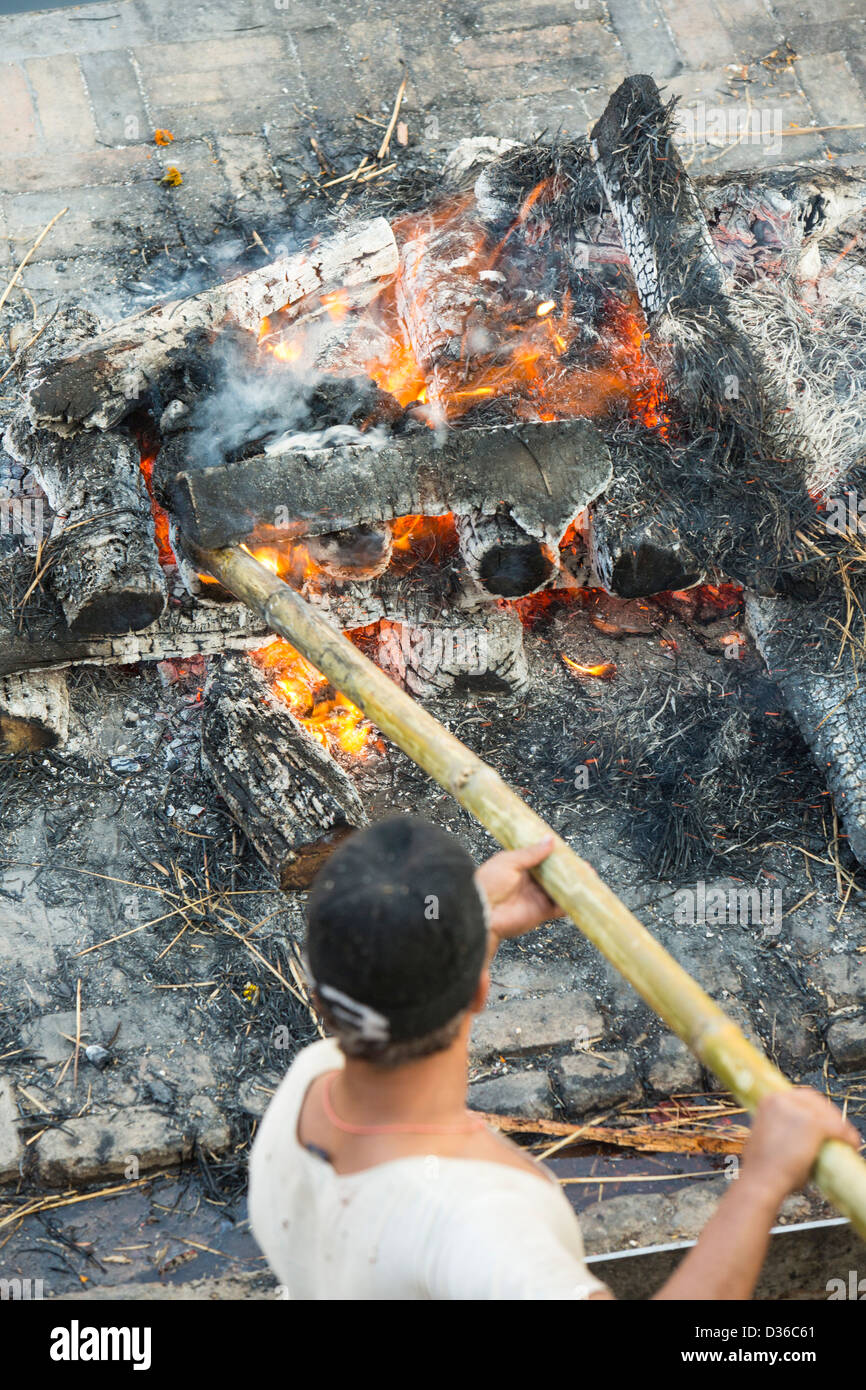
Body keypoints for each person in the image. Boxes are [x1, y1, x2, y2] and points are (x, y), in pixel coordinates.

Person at [249, 814, 860, 1300]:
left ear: (316, 988)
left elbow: (385, 990)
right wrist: (760, 1184)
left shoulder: (313, 1077)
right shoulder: (482, 1224)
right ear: (483, 991)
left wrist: (471, 925)